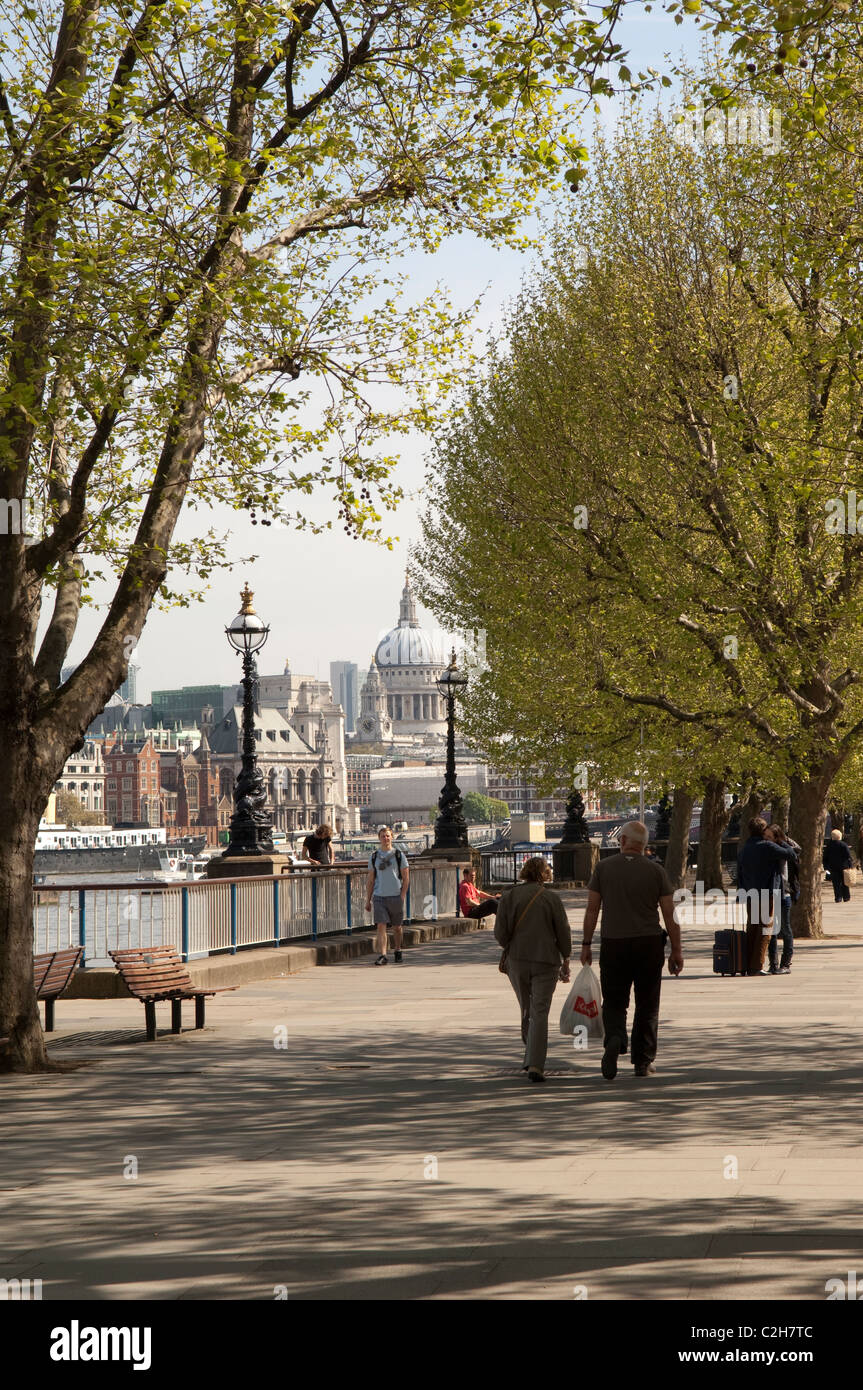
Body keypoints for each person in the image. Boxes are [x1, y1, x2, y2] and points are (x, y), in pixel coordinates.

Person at [582, 820, 683, 1080]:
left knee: (614, 1002)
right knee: (647, 1005)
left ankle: (615, 1038)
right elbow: (669, 914)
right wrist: (676, 950)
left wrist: (586, 944)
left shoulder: (603, 868)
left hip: (613, 942)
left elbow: (592, 909)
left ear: (624, 841)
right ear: (644, 845)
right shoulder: (656, 871)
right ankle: (642, 1061)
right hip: (648, 943)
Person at [494, 857, 571, 1083]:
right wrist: (566, 958)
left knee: (527, 1009)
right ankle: (535, 1063)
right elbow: (563, 932)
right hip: (546, 961)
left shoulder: (509, 897)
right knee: (540, 1011)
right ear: (544, 874)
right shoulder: (551, 898)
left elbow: (500, 934)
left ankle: (530, 1051)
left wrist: (511, 944)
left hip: (517, 960)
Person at [737, 817, 798, 974]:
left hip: (750, 893)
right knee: (765, 930)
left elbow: (740, 873)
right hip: (767, 893)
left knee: (752, 928)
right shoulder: (767, 846)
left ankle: (746, 964)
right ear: (763, 830)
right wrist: (781, 840)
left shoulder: (745, 848)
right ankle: (757, 965)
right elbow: (791, 854)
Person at [365, 825, 410, 965]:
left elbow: (406, 877)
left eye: (388, 836)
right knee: (381, 926)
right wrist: (368, 900)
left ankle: (397, 950)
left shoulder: (399, 855)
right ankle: (383, 955)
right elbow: (371, 880)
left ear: (392, 837)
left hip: (395, 895)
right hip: (379, 896)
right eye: (383, 836)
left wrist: (402, 895)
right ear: (379, 839)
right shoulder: (374, 857)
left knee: (397, 927)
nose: (385, 838)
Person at [765, 823, 798, 975]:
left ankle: (786, 963)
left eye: (769, 837)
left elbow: (793, 854)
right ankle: (773, 963)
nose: (766, 839)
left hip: (783, 894)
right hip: (771, 894)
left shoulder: (783, 850)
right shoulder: (767, 849)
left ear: (777, 838)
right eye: (765, 836)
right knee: (771, 930)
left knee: (785, 929)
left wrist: (782, 842)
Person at [823, 828, 853, 904]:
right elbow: (848, 856)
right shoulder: (843, 845)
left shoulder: (829, 846)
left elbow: (825, 857)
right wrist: (850, 865)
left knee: (836, 883)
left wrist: (826, 867)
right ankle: (846, 897)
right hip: (844, 866)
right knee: (845, 882)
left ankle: (838, 897)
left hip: (833, 867)